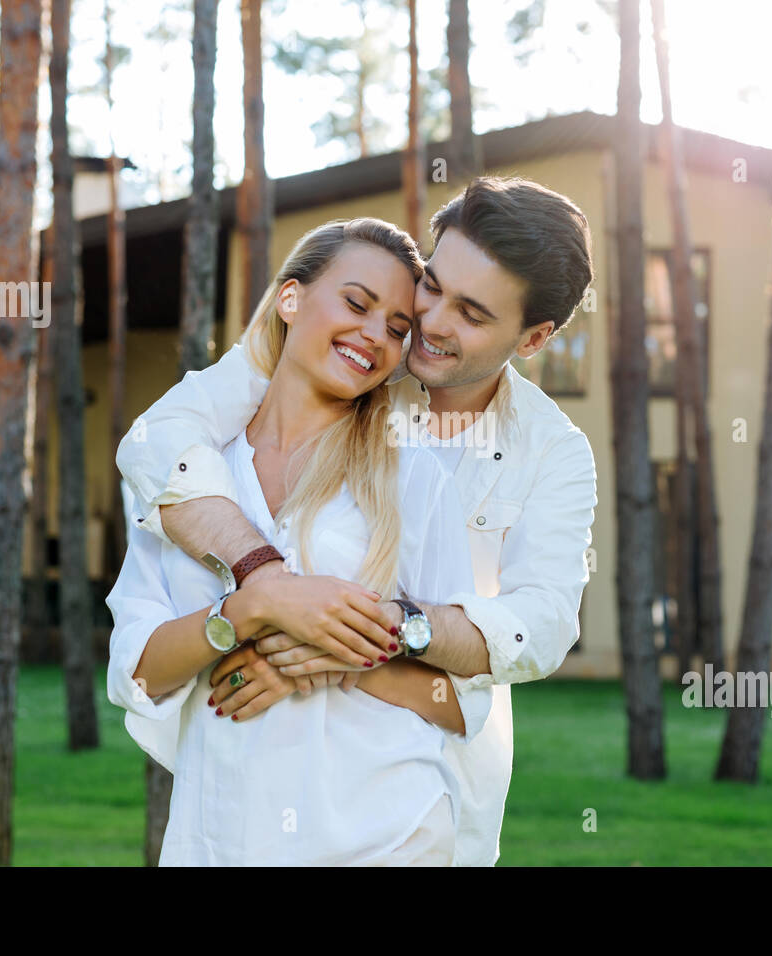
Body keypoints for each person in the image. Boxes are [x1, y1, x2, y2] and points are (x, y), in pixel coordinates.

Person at [117, 176, 598, 867]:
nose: (427, 322)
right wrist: (267, 584)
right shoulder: (342, 359)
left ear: (534, 338)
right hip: (240, 803)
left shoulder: (551, 453)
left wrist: (355, 644)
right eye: (432, 285)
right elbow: (156, 445)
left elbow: (541, 625)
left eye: (471, 312)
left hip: (419, 809)